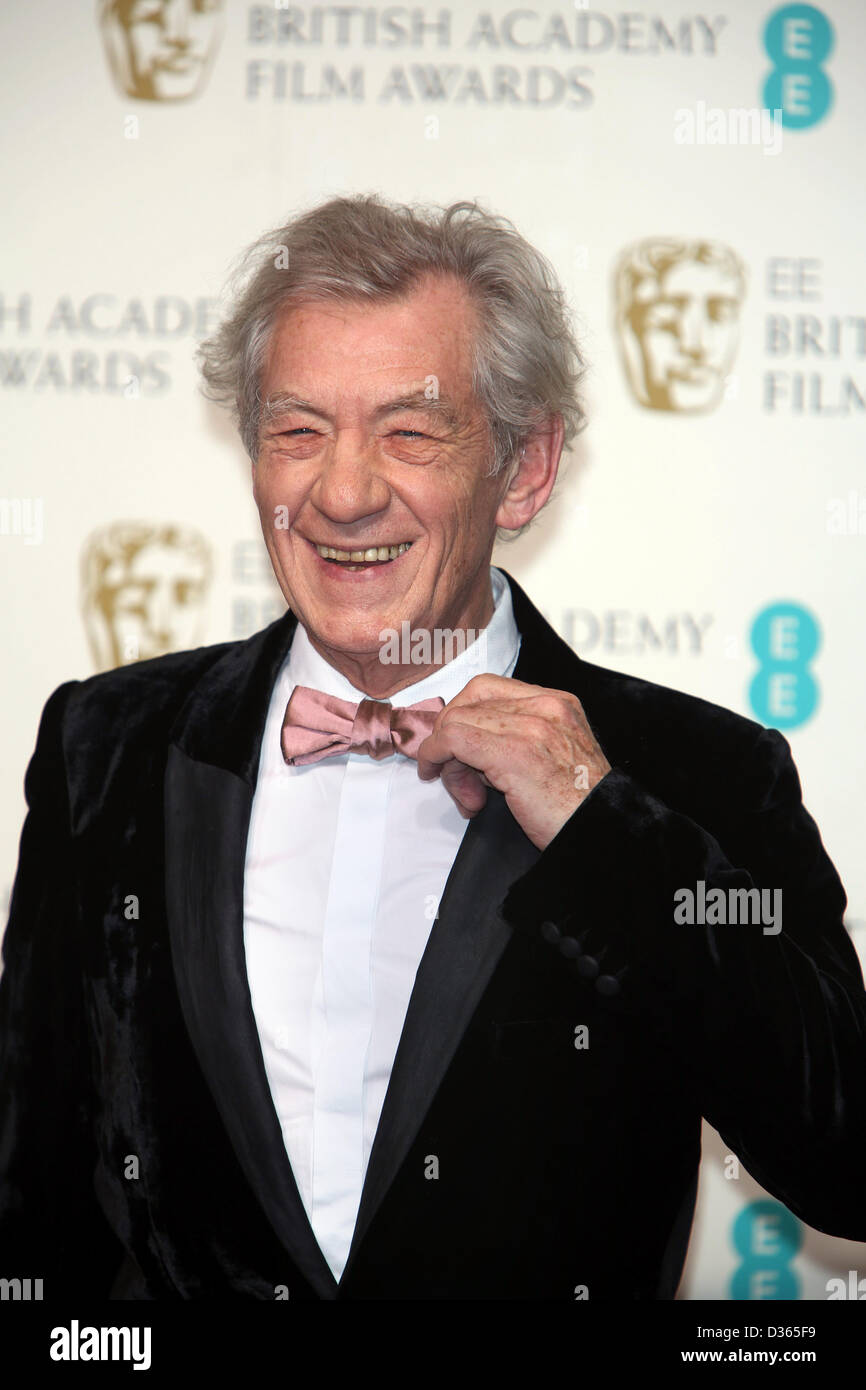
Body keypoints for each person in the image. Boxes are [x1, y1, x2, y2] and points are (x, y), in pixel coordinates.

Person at [1, 194, 864, 1301]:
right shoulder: (105, 745)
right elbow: (35, 1212)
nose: (343, 492)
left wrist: (603, 828)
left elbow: (846, 1157)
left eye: (409, 432)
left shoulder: (698, 772)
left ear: (525, 469)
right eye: (298, 431)